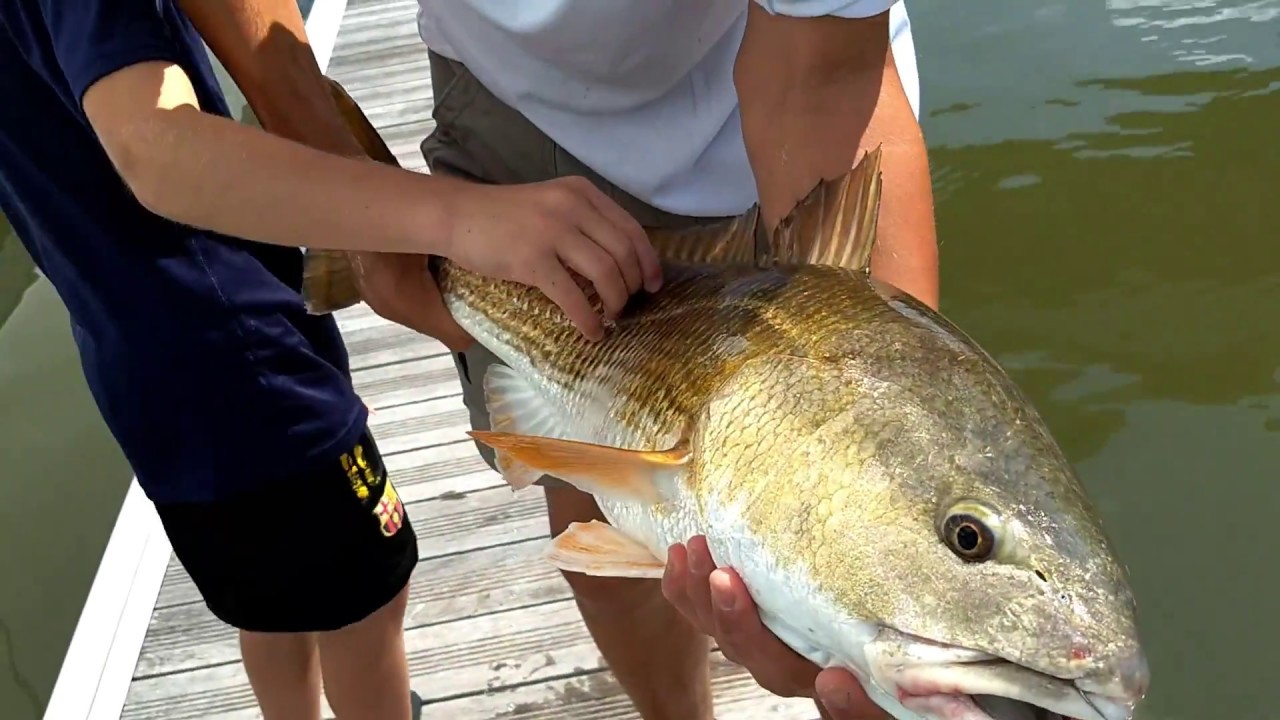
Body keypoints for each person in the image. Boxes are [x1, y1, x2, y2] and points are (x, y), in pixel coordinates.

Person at [190, 2, 938, 720]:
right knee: (585, 472)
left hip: (800, 61)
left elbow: (826, 77)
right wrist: (359, 203)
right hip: (509, 79)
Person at [0, 2, 656, 719]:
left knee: (269, 603)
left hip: (134, 369)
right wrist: (455, 216)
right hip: (253, 358)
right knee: (371, 598)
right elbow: (154, 145)